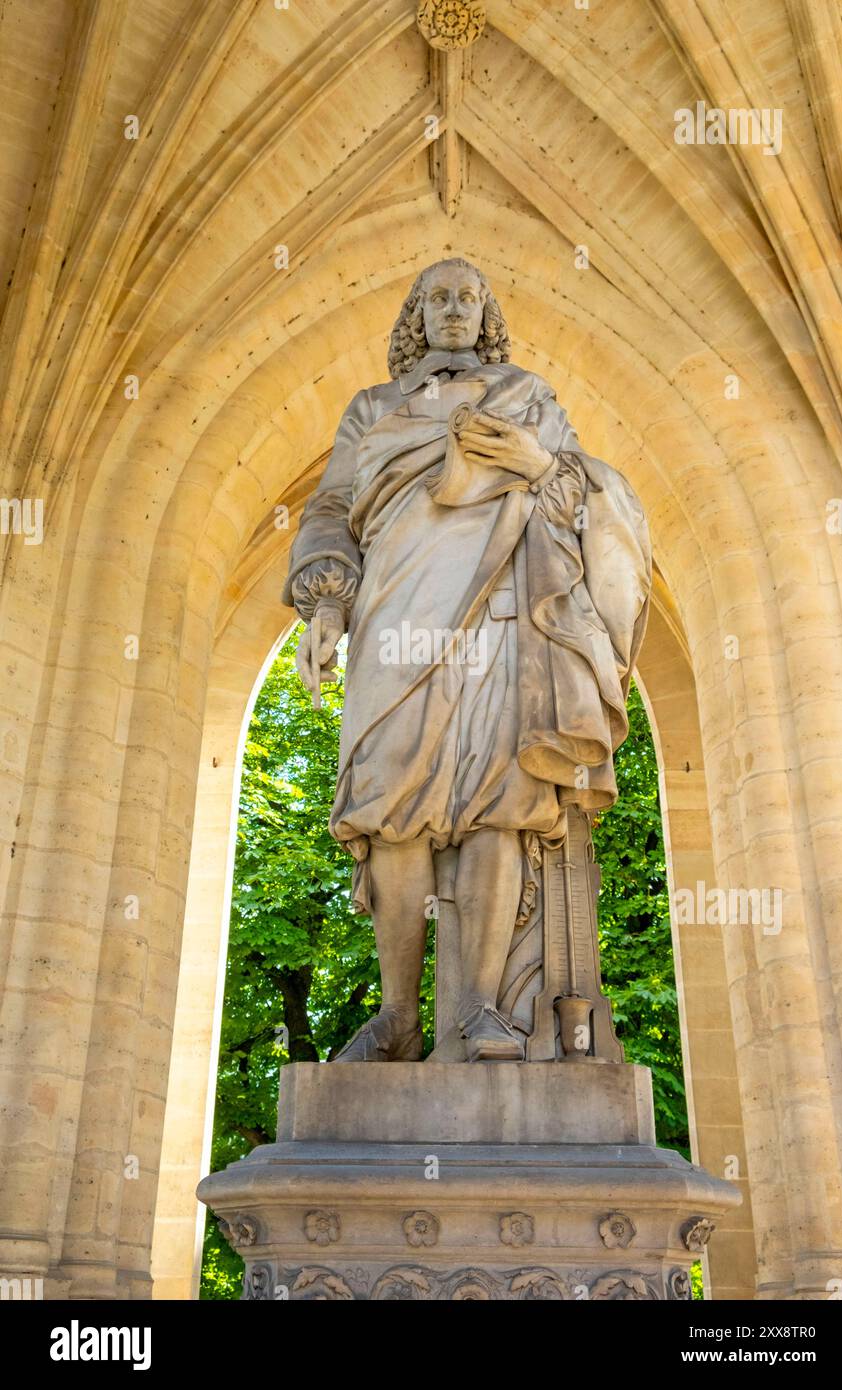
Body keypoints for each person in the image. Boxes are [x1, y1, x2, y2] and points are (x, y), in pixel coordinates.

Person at [285, 258, 651, 1061]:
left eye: (467, 297)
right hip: (393, 616)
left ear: (486, 313)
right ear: (416, 314)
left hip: (502, 612)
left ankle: (484, 1008)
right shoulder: (375, 409)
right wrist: (326, 603)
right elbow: (334, 509)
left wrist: (536, 463)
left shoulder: (527, 398)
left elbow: (581, 499)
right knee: (388, 805)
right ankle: (396, 1017)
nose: (453, 309)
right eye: (437, 298)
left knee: (497, 802)